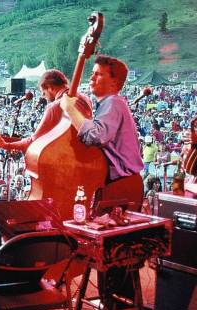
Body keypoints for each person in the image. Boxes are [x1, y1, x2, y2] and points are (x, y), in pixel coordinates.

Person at [61, 55, 144, 207]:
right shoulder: (111, 104)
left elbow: (96, 136)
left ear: (114, 82)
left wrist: (70, 109)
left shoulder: (113, 102)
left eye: (98, 74)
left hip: (122, 185)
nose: (91, 78)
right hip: (122, 183)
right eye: (92, 73)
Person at [0, 69, 93, 152]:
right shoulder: (86, 98)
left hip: (65, 160)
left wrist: (6, 145)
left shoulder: (55, 107)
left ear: (50, 87)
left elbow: (34, 140)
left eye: (43, 92)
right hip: (87, 156)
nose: (43, 96)